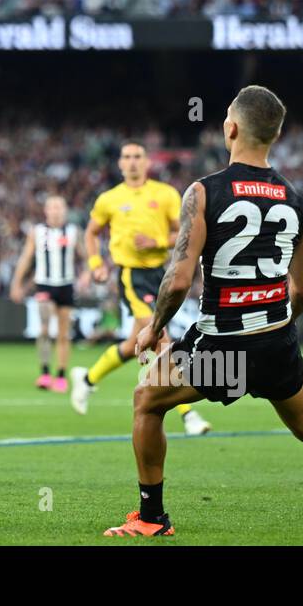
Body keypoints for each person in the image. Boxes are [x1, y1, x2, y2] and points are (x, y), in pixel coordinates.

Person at [104, 86, 303, 539]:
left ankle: (152, 518)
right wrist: (277, 328)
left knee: (147, 399)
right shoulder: (296, 200)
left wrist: (152, 328)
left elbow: (178, 280)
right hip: (277, 340)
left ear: (230, 128)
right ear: (274, 135)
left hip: (222, 345)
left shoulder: (203, 191)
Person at [69, 142, 211, 436]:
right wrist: (95, 263)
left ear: (147, 162)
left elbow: (184, 233)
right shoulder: (110, 199)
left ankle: (87, 379)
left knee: (137, 341)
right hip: (132, 275)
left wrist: (157, 242)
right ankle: (188, 414)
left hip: (161, 273)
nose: (132, 162)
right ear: (120, 164)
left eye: (137, 157)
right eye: (127, 157)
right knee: (160, 338)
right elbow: (92, 232)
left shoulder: (165, 194)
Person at [10, 195, 78, 393]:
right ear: (46, 211)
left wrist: (88, 274)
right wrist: (17, 283)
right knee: (45, 329)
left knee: (64, 334)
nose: (56, 211)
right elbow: (26, 257)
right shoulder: (37, 232)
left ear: (65, 210)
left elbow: (86, 254)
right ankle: (45, 372)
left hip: (66, 285)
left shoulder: (73, 231)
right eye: (52, 207)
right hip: (44, 285)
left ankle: (61, 376)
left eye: (59, 207)